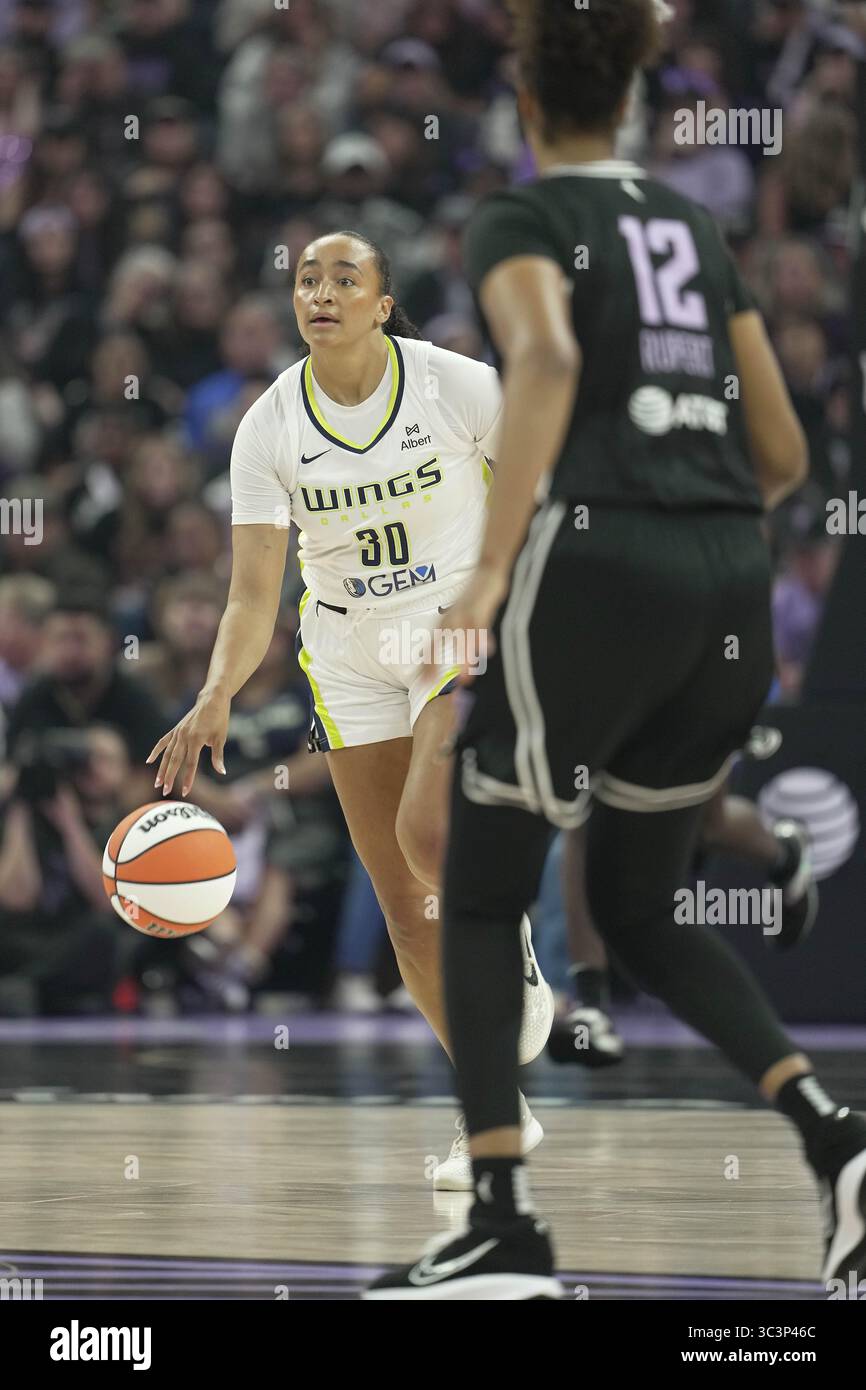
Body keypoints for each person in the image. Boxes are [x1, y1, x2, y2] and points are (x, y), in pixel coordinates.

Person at [366, 0, 866, 1299]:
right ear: (635, 100)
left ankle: (500, 1222)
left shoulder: (522, 219)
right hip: (731, 584)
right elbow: (783, 457)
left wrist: (489, 573)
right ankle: (837, 1139)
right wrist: (689, 531)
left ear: (526, 106)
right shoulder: (698, 229)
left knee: (475, 888)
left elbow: (539, 355)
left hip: (594, 567)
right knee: (638, 907)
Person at [146, 229, 555, 1187]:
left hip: (458, 624)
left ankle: (513, 940)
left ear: (381, 303)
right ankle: (496, 1112)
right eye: (305, 280)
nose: (321, 293)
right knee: (407, 913)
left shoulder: (459, 385)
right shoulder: (268, 425)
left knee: (429, 835)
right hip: (348, 651)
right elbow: (252, 596)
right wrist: (217, 692)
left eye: (345, 279)